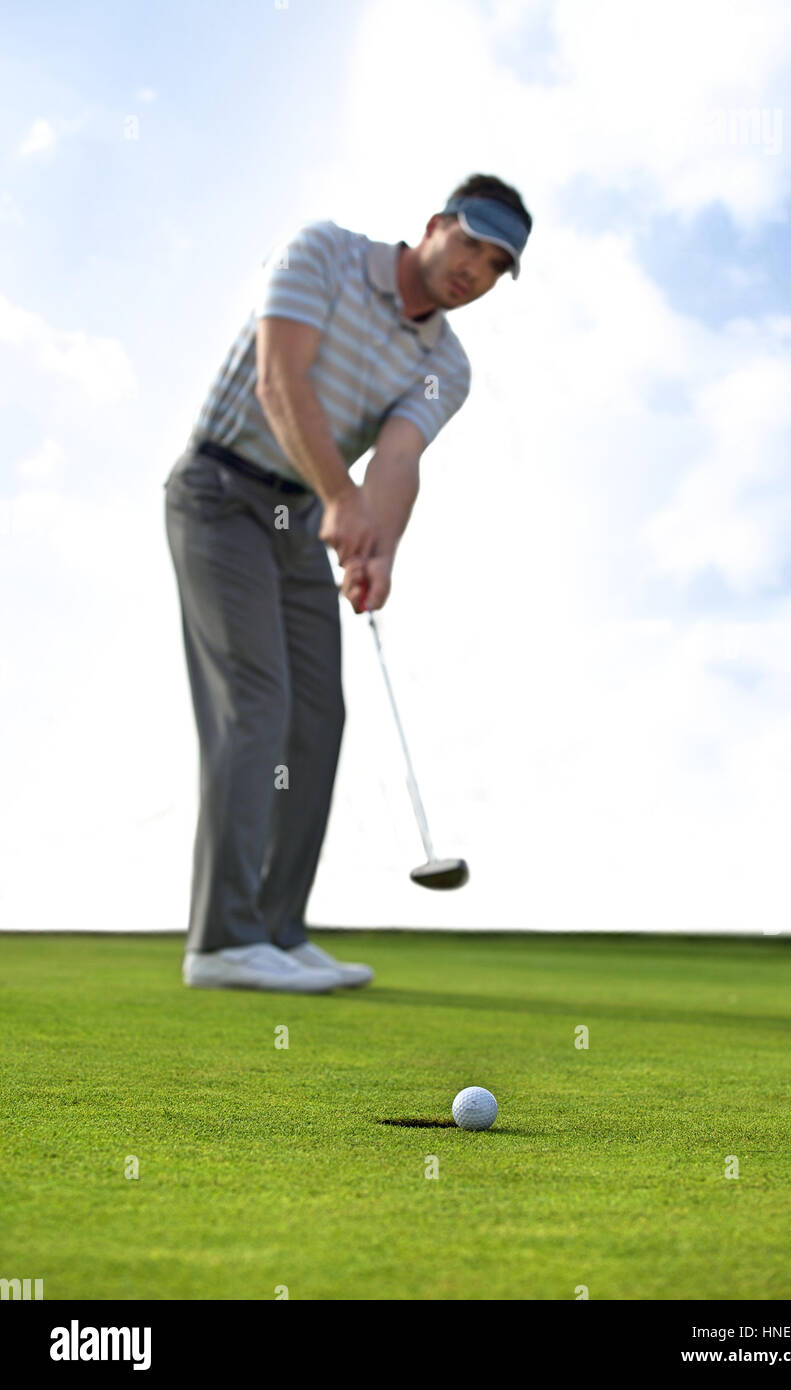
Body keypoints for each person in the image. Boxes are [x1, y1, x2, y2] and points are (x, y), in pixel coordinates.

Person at [163, 173, 532, 993]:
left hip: (300, 517)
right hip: (219, 494)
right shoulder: (323, 252)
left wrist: (380, 550)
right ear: (435, 225)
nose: (476, 268)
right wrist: (340, 497)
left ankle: (276, 930)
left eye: (497, 263)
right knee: (256, 700)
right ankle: (221, 939)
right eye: (470, 241)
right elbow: (279, 382)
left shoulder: (446, 364)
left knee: (318, 716)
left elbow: (398, 460)